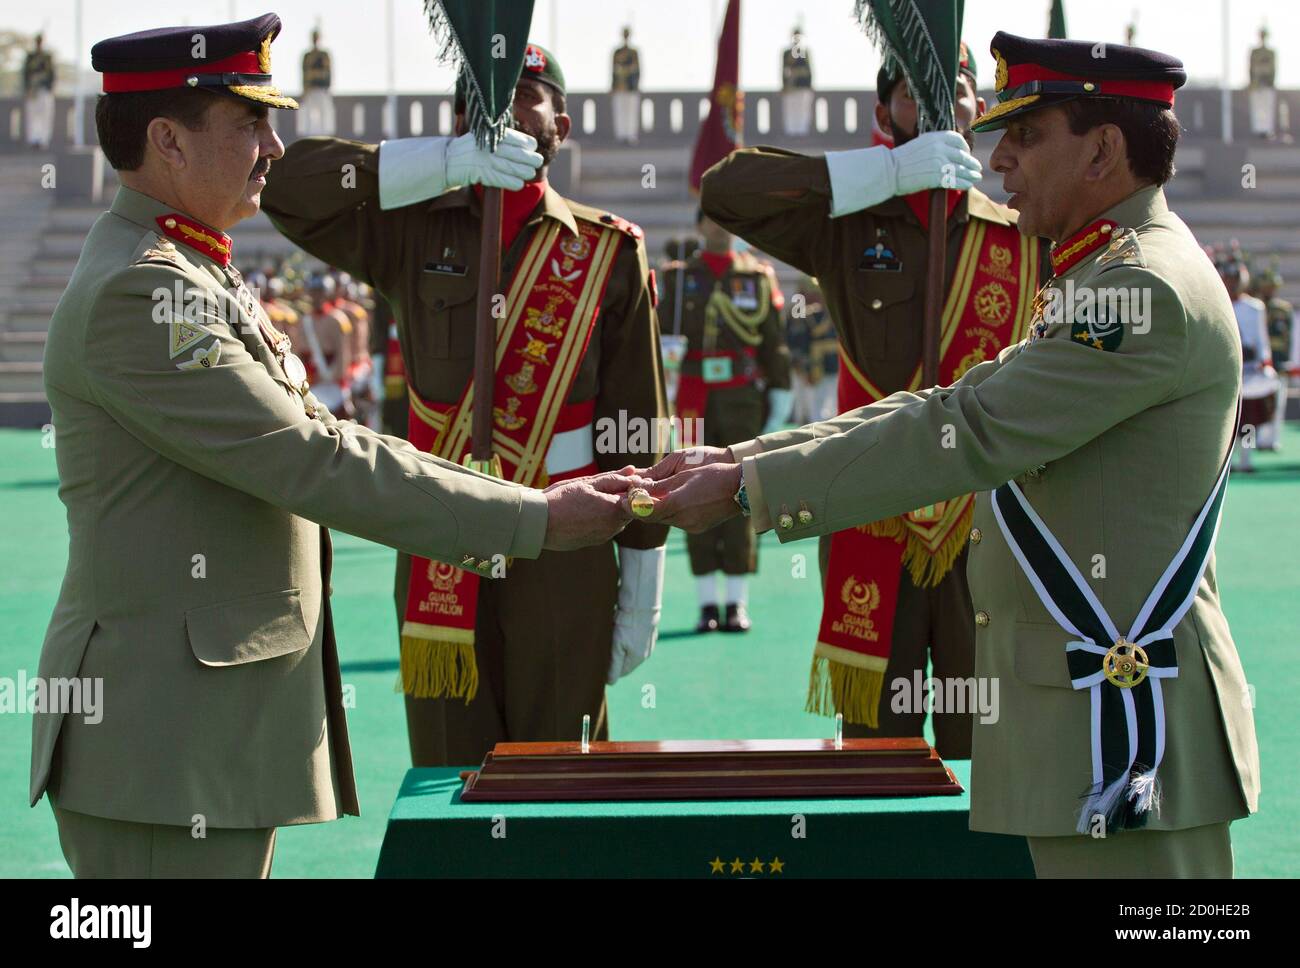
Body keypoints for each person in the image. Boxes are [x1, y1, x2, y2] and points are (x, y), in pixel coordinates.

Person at [33, 13, 640, 879]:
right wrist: (534, 516)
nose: (274, 146)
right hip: (160, 749)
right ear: (167, 140)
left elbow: (319, 441)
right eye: (250, 123)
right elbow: (313, 460)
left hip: (198, 739)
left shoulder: (189, 266)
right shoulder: (145, 292)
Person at [645, 32, 1260, 878]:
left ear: (1104, 149)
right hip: (1091, 727)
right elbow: (949, 406)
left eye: (1028, 135)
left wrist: (747, 484)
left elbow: (966, 431)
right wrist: (745, 458)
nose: (998, 157)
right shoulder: (1102, 274)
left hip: (1120, 736)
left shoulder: (1136, 289)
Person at [262, 43, 670, 767]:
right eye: (482, 97)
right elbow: (288, 187)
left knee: (560, 771)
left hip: (567, 532)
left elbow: (635, 425)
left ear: (561, 125)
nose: (504, 108)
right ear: (455, 120)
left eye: (525, 93)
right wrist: (442, 164)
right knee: (453, 769)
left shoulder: (609, 251)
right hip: (441, 528)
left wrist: (642, 580)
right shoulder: (409, 226)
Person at [698, 41, 1045, 757]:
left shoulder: (1024, 239)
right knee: (876, 750)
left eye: (953, 88)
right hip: (868, 505)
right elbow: (725, 190)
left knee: (982, 739)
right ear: (883, 109)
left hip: (979, 516)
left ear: (980, 108)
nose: (938, 104)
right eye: (915, 92)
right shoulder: (849, 220)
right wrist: (883, 172)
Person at [659, 210, 791, 632]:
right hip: (693, 397)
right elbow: (658, 334)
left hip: (740, 399)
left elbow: (774, 343)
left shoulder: (756, 277)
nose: (720, 230)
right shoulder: (678, 279)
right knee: (692, 489)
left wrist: (780, 392)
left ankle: (736, 602)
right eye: (712, 222)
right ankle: (705, 604)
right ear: (698, 226)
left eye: (726, 222)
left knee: (742, 490)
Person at [1219, 251, 1275, 470]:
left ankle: (1246, 459)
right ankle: (1227, 461)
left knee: (1249, 418)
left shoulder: (1255, 308)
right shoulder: (1220, 302)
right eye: (1229, 279)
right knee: (1228, 418)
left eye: (1236, 279)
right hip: (1226, 368)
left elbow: (1262, 339)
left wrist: (1265, 360)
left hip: (1250, 369)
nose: (1233, 284)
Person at [289, 273, 354, 417]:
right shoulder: (304, 320)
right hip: (311, 380)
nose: (317, 297)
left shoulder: (337, 319)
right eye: (314, 292)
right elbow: (298, 351)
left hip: (332, 381)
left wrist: (333, 377)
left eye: (320, 292)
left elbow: (343, 354)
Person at [783, 276, 838, 423]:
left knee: (831, 407)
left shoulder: (833, 309)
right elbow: (795, 341)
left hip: (833, 363)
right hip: (810, 365)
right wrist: (802, 366)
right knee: (809, 409)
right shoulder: (798, 313)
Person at [1256, 264, 1294, 450]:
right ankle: (1259, 439)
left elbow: (1289, 338)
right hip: (1259, 363)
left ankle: (1273, 439)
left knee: (1278, 403)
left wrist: (1288, 361)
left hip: (1278, 361)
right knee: (1260, 403)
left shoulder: (1283, 309)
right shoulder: (1255, 307)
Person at [299, 27, 335, 137]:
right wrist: (304, 88)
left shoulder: (324, 55)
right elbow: (304, 72)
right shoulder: (307, 55)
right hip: (311, 88)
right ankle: (308, 135)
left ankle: (325, 134)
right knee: (309, 113)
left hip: (322, 88)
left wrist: (329, 87)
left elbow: (329, 71)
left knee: (324, 112)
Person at [23, 32, 56, 150]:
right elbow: (26, 74)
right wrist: (27, 89)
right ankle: (33, 139)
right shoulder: (31, 57)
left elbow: (51, 74)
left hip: (44, 89)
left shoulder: (47, 57)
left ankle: (43, 140)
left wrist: (51, 88)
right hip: (33, 90)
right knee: (32, 115)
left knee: (45, 115)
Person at [781, 26, 814, 137]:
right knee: (790, 112)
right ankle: (791, 134)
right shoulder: (786, 53)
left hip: (803, 86)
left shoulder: (804, 52)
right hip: (791, 87)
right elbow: (784, 69)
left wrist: (810, 85)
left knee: (803, 111)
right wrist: (784, 85)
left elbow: (808, 70)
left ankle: (802, 134)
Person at [611, 26, 641, 144]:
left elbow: (636, 69)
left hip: (631, 86)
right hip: (619, 86)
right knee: (620, 110)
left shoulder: (633, 53)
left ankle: (630, 134)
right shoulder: (617, 52)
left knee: (631, 111)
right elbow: (613, 70)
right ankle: (621, 134)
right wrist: (613, 85)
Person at [1248, 25, 1277, 140]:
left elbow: (1273, 68)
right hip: (1257, 84)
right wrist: (1252, 82)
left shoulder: (1270, 52)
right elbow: (1251, 67)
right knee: (1258, 107)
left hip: (1267, 84)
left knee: (1267, 107)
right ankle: (1259, 131)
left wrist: (1270, 80)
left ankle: (1267, 130)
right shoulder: (1255, 52)